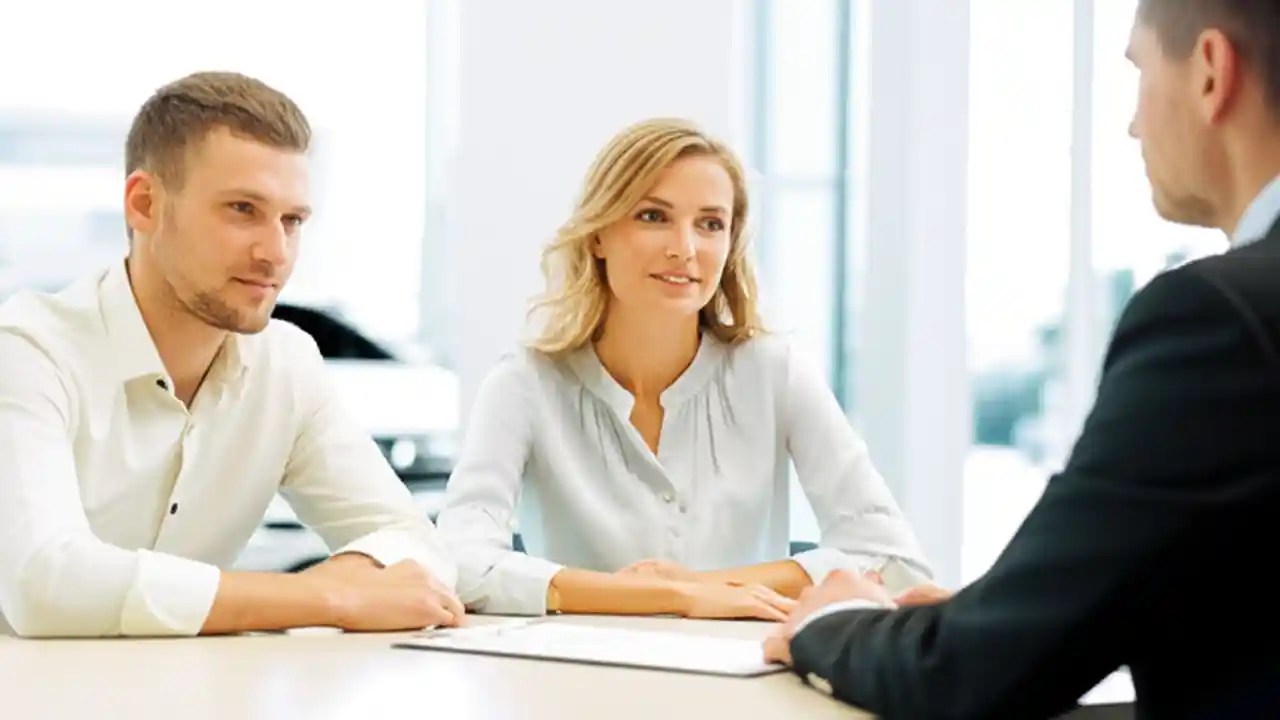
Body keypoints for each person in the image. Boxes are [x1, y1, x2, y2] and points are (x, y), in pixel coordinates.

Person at [765, 1, 1280, 716]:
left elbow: (967, 677)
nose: (1133, 125)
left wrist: (832, 622)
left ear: (1210, 73)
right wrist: (1012, 619)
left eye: (1139, 73)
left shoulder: (1218, 318)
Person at [0, 71, 463, 638]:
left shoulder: (285, 364)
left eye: (292, 221)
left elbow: (416, 544)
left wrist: (343, 586)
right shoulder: (28, 351)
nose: (276, 253)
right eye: (243, 209)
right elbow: (45, 584)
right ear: (144, 204)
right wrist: (329, 596)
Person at [436, 118, 934, 620]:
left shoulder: (773, 372)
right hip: (580, 664)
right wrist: (671, 597)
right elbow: (460, 562)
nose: (685, 248)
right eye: (653, 216)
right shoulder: (524, 384)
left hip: (747, 663)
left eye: (710, 224)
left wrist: (698, 586)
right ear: (598, 235)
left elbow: (893, 559)